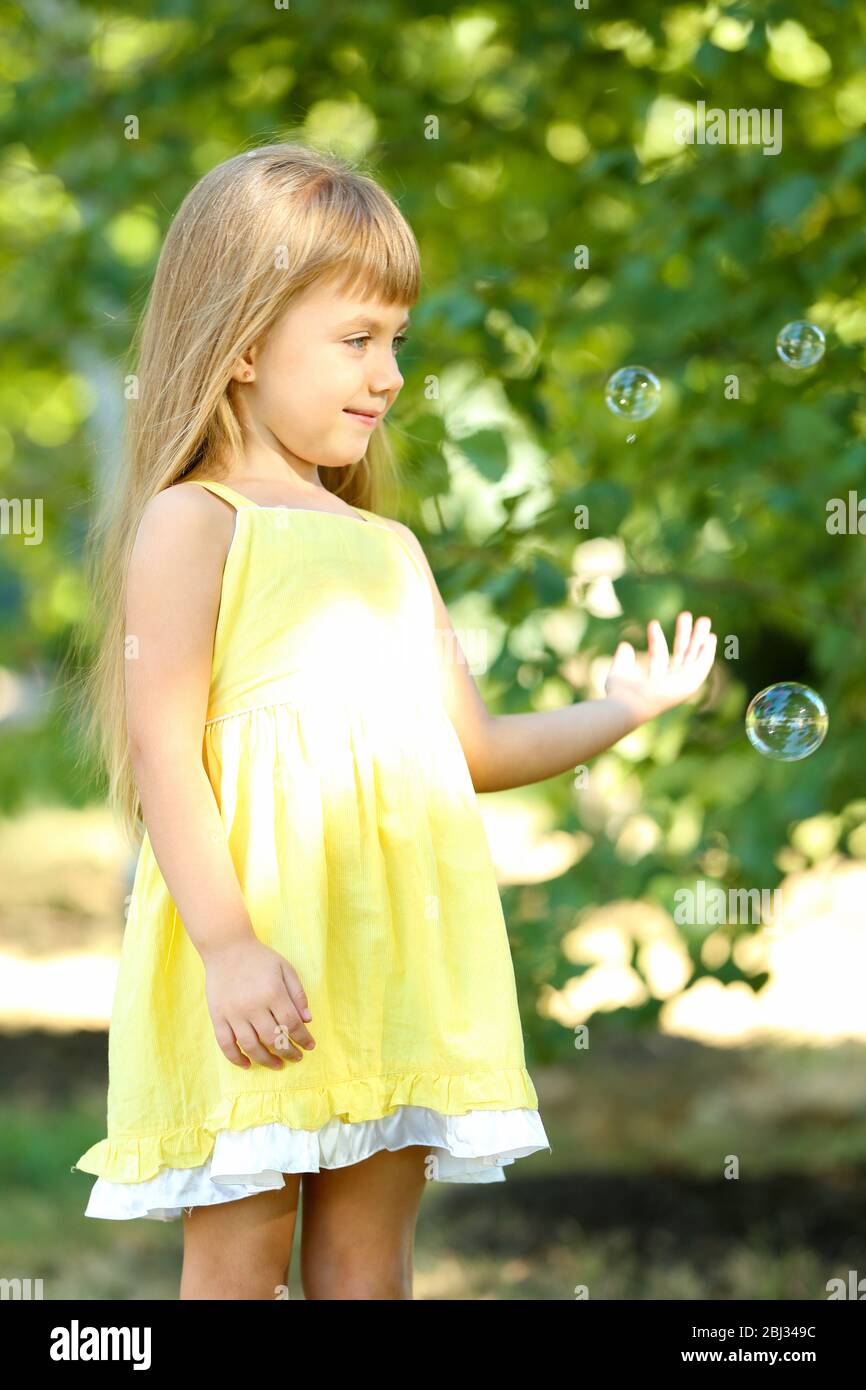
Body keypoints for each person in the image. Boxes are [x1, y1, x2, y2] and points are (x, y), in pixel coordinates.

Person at [71, 140, 717, 1300]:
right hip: (262, 956)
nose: (388, 375)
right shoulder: (195, 520)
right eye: (356, 340)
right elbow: (166, 751)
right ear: (246, 338)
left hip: (396, 960)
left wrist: (623, 705)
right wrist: (225, 947)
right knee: (235, 1260)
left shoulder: (386, 548)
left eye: (397, 343)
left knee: (370, 1271)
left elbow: (470, 749)